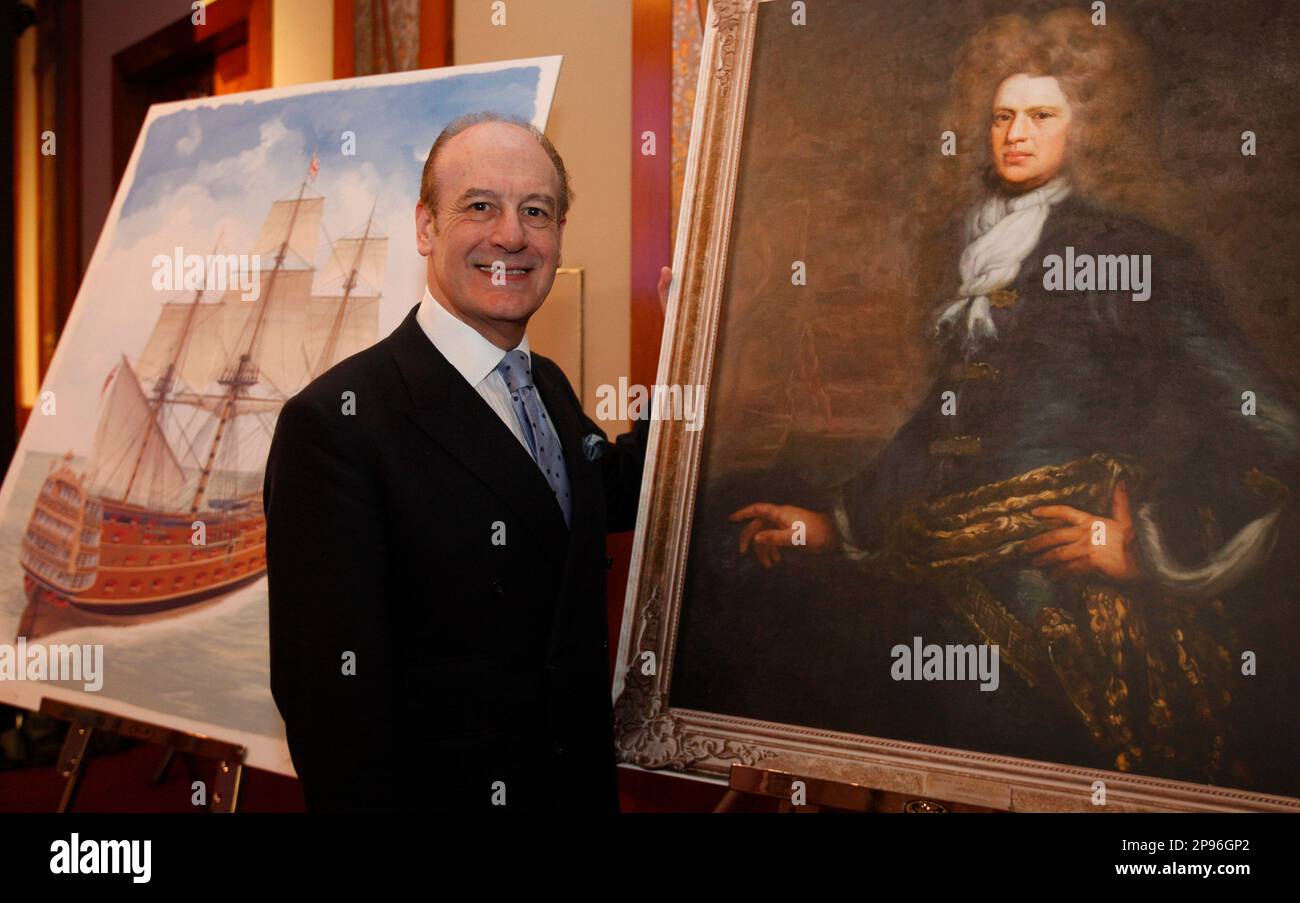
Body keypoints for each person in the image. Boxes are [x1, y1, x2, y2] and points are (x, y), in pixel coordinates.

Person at [728, 10, 1300, 791]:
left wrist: (1147, 544)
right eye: (1002, 116)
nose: (1015, 134)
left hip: (1057, 600)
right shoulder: (983, 243)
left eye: (1041, 114)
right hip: (943, 575)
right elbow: (945, 421)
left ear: (1086, 127)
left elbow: (1271, 427)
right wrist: (837, 522)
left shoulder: (1134, 253)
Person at [264, 112, 671, 811]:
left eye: (536, 211)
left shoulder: (546, 385)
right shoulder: (336, 426)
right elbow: (334, 718)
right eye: (480, 206)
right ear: (425, 227)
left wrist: (690, 346)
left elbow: (612, 493)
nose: (511, 234)